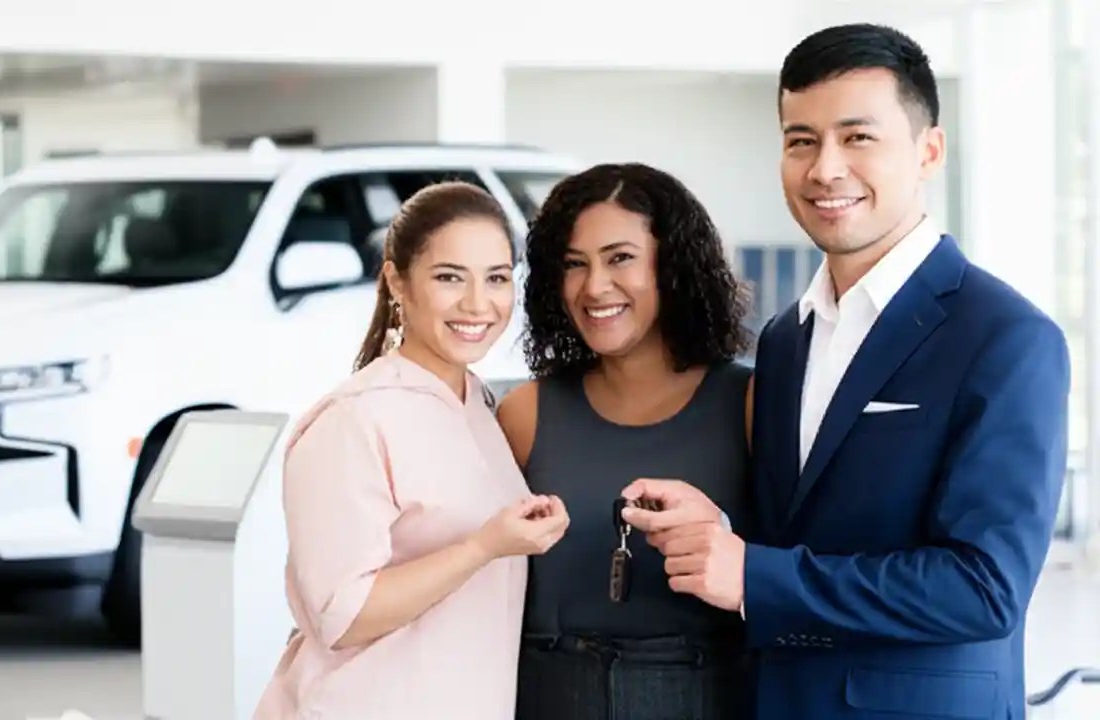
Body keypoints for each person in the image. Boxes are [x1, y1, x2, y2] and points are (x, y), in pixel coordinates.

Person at [620, 23, 1071, 720]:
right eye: (801, 140)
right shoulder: (782, 340)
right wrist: (723, 530)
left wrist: (752, 573)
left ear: (929, 150)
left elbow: (984, 587)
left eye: (858, 137)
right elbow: (811, 531)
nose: (824, 168)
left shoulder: (1007, 338)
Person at [253, 181, 571, 720]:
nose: (478, 303)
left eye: (496, 279)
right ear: (398, 281)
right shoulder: (353, 419)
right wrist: (482, 547)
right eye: (450, 277)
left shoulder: (478, 402)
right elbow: (343, 616)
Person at [497, 163, 755, 719]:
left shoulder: (751, 404)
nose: (594, 286)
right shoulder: (524, 415)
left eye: (620, 258)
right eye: (574, 264)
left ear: (672, 266)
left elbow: (793, 580)